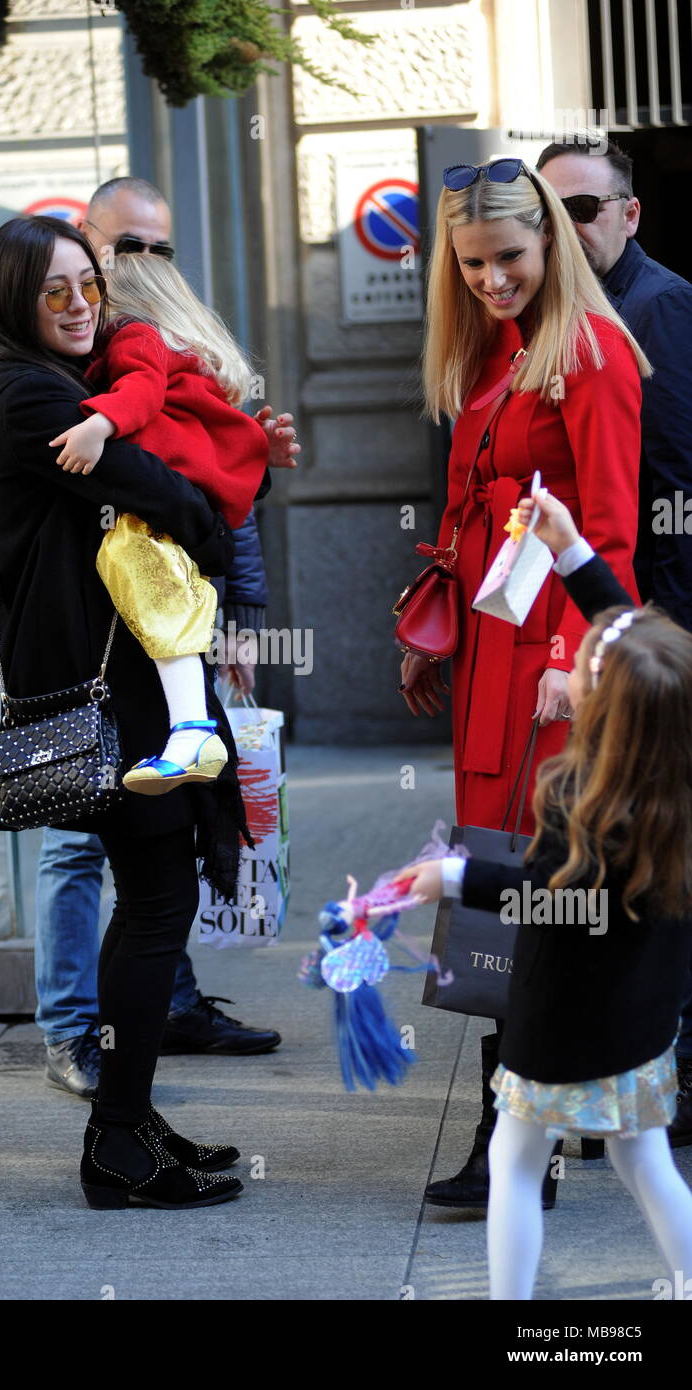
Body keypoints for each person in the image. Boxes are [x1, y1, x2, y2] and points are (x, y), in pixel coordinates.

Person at [0, 178, 295, 1095]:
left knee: (154, 900)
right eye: (56, 289)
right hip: (93, 694)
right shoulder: (34, 398)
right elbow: (175, 503)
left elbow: (179, 490)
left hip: (122, 687)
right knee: (144, 900)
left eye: (87, 286)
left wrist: (236, 462)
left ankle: (126, 1124)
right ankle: (101, 1089)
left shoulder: (75, 377)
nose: (81, 302)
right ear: (10, 301)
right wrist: (209, 488)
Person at [401, 157, 651, 1210]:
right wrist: (431, 622)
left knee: (534, 898)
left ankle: (522, 1139)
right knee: (510, 883)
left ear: (550, 242)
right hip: (492, 663)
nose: (491, 279)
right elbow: (471, 518)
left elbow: (609, 532)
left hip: (551, 663)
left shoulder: (590, 354)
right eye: (471, 264)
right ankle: (558, 1122)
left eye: (507, 257)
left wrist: (568, 660)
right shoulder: (501, 358)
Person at [404, 486, 692, 1300]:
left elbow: (541, 895)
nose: (566, 667)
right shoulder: (672, 768)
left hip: (560, 1027)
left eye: (578, 669)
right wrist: (569, 549)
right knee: (645, 1164)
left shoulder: (583, 804)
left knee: (512, 1162)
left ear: (604, 710)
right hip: (642, 1029)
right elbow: (632, 639)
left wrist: (449, 876)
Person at [538, 137, 692, 1147]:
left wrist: (653, 644)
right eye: (552, 214)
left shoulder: (657, 306)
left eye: (585, 210)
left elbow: (674, 479)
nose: (568, 231)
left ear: (628, 215)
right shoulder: (560, 318)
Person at [49, 250, 270, 793]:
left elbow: (141, 392)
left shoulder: (134, 335)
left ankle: (191, 727)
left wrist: (99, 426)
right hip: (197, 489)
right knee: (167, 586)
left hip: (175, 486)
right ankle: (192, 726)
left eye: (93, 293)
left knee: (130, 559)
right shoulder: (176, 343)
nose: (83, 307)